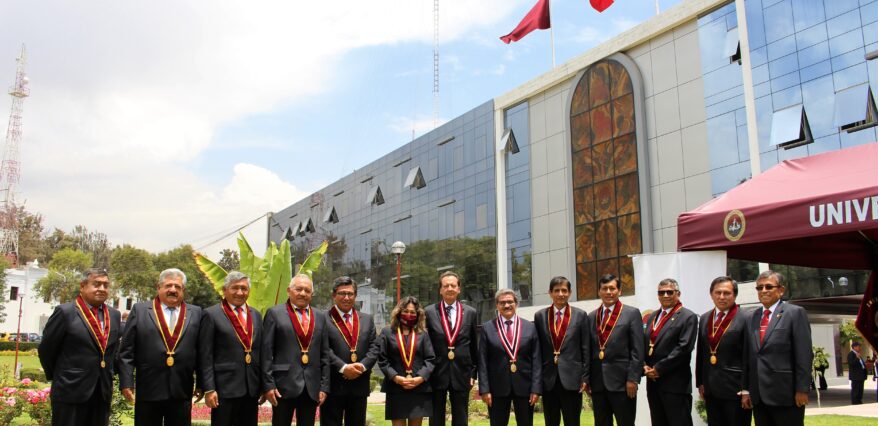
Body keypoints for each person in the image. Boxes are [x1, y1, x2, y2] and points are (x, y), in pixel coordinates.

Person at [118, 268, 204, 426]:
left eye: (177, 286)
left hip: (181, 389)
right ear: (158, 287)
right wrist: (126, 382)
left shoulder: (196, 313)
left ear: (183, 290)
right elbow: (126, 351)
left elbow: (202, 352)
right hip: (148, 389)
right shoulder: (140, 310)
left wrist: (201, 383)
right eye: (168, 285)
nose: (173, 289)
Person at [38, 268, 121, 426]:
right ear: (82, 286)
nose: (102, 289)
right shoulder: (65, 312)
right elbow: (46, 350)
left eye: (106, 285)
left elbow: (114, 351)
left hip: (102, 391)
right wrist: (61, 376)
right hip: (70, 390)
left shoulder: (114, 315)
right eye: (96, 284)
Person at [744, 270, 812, 426]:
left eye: (769, 287)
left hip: (786, 394)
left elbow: (804, 354)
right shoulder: (751, 317)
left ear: (781, 290)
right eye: (759, 287)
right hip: (759, 396)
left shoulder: (795, 313)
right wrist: (746, 390)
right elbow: (748, 356)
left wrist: (802, 389)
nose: (763, 291)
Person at [261, 274, 330, 426]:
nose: (303, 293)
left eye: (307, 290)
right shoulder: (274, 313)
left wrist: (324, 386)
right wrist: (268, 385)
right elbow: (266, 353)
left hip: (311, 386)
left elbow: (324, 354)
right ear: (289, 291)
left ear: (312, 294)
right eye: (298, 289)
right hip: (282, 385)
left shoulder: (320, 316)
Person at [198, 271, 263, 426]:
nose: (240, 292)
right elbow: (205, 355)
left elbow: (261, 352)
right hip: (224, 388)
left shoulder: (256, 315)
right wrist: (209, 388)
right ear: (224, 290)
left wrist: (263, 385)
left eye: (244, 288)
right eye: (235, 288)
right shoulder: (211, 314)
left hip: (251, 388)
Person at [585, 273, 644, 426]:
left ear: (619, 291)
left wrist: (633, 378)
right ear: (599, 291)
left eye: (612, 288)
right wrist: (587, 380)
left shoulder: (631, 313)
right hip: (598, 383)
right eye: (604, 288)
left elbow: (637, 350)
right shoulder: (591, 317)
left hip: (623, 384)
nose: (608, 292)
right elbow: (588, 351)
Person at [478, 288, 541, 426]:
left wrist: (536, 389)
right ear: (497, 305)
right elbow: (482, 361)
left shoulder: (530, 327)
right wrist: (484, 389)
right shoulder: (487, 328)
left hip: (525, 387)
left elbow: (536, 360)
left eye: (510, 302)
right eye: (502, 303)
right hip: (497, 388)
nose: (506, 305)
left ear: (516, 304)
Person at [695, 276, 752, 426]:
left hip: (735, 389)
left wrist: (747, 389)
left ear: (735, 295)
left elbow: (749, 355)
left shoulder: (746, 317)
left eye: (726, 293)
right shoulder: (705, 318)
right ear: (711, 294)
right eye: (718, 292)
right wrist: (701, 382)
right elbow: (702, 353)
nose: (721, 297)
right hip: (711, 389)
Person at [323, 276, 380, 426]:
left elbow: (374, 347)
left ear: (355, 296)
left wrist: (361, 366)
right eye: (342, 293)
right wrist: (343, 368)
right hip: (333, 384)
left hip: (359, 385)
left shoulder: (367, 319)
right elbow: (323, 348)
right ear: (334, 295)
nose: (346, 297)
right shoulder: (323, 318)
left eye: (350, 294)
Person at [533, 276, 589, 426]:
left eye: (564, 290)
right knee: (551, 421)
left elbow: (585, 348)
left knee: (572, 421)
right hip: (548, 379)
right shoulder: (540, 316)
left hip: (572, 379)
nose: (560, 294)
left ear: (570, 293)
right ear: (550, 293)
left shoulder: (580, 315)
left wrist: (585, 377)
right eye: (556, 290)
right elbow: (537, 350)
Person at [425, 271, 479, 426]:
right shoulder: (429, 312)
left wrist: (473, 372)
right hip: (436, 372)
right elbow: (425, 344)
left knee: (461, 417)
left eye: (453, 285)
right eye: (446, 286)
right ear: (440, 290)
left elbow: (474, 345)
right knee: (436, 418)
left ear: (459, 289)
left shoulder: (470, 312)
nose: (449, 288)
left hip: (462, 373)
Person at [643, 278, 698, 426]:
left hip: (675, 384)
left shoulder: (687, 316)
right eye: (661, 292)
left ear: (678, 294)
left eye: (669, 292)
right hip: (653, 383)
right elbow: (645, 344)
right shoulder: (653, 316)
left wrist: (659, 368)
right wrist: (644, 366)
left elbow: (684, 348)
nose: (665, 295)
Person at [378, 296, 437, 426]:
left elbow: (430, 359)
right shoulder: (387, 332)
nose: (408, 315)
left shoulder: (423, 334)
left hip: (419, 388)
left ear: (418, 315)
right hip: (396, 388)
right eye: (405, 311)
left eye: (412, 312)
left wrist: (419, 378)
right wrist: (396, 377)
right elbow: (382, 359)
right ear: (399, 312)